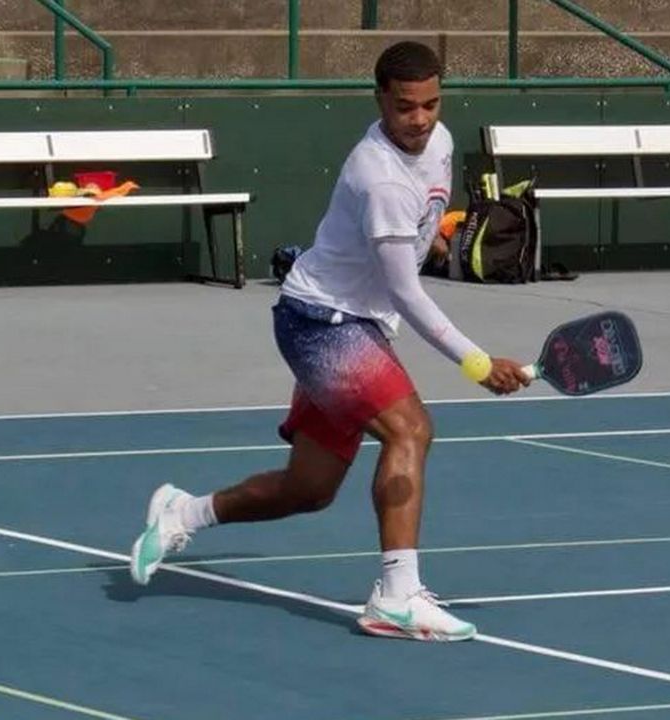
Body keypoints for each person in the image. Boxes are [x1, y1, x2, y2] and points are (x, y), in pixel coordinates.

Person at [128, 40, 530, 642]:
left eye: (431, 105)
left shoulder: (440, 144)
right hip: (323, 324)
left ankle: (184, 511)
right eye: (405, 108)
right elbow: (405, 294)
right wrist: (476, 363)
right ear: (379, 101)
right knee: (410, 429)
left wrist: (434, 242)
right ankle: (396, 597)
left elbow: (416, 237)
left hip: (353, 321)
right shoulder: (379, 178)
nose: (420, 120)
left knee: (309, 490)